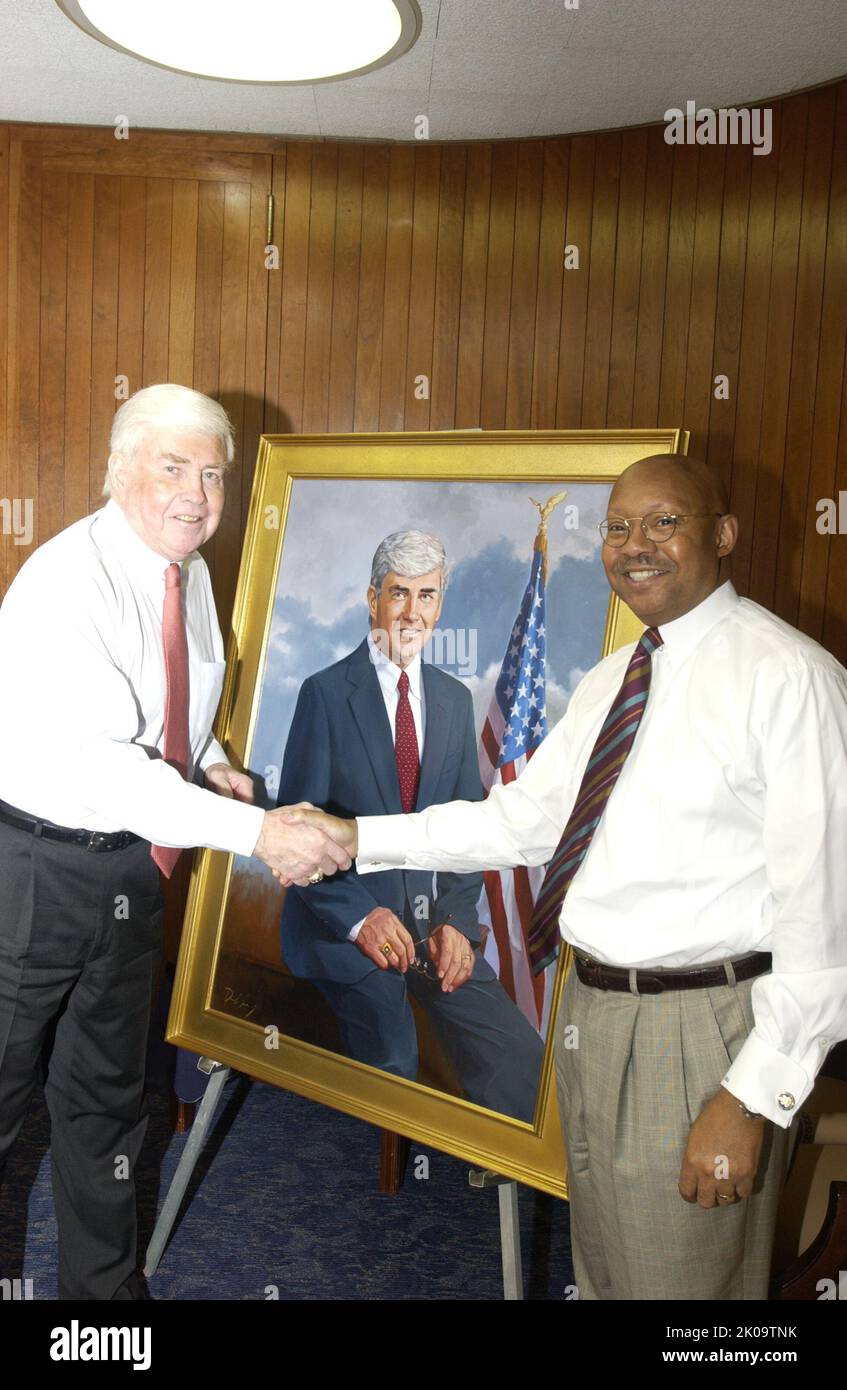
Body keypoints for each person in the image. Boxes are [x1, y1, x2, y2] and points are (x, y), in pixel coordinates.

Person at [279, 456, 847, 1300]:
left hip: (702, 1038)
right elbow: (519, 821)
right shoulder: (615, 678)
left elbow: (825, 922)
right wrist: (353, 836)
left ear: (721, 535)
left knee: (686, 1299)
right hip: (592, 1017)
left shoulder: (789, 679)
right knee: (606, 1278)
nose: (633, 546)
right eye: (617, 527)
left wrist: (753, 1096)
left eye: (663, 522)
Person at [0, 384, 349, 1301]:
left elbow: (172, 717)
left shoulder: (186, 573)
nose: (196, 494)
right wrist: (258, 828)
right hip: (30, 874)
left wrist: (218, 764)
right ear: (118, 470)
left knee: (110, 1109)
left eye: (212, 475)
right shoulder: (62, 581)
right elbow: (104, 768)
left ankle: (104, 1316)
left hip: (127, 874)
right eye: (171, 468)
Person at [277, 530, 543, 1120]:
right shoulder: (324, 694)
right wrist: (360, 919)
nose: (411, 612)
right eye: (399, 593)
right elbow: (298, 841)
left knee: (520, 1056)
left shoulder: (452, 701)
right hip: (345, 928)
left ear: (440, 605)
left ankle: (499, 1184)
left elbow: (465, 830)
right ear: (373, 599)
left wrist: (453, 922)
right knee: (395, 1061)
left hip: (430, 932)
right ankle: (384, 1199)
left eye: (426, 596)